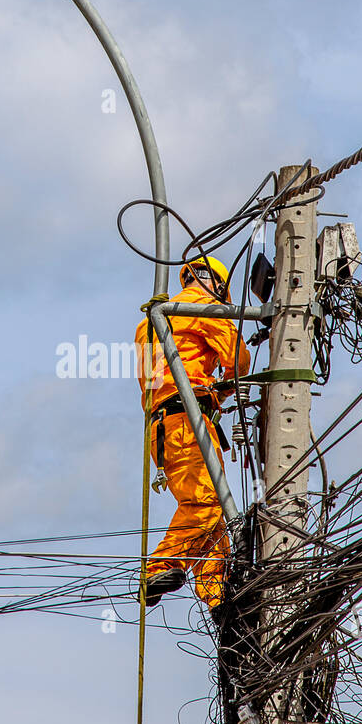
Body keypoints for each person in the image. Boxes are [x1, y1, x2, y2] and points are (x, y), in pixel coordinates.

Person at [135, 256, 251, 610]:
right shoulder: (203, 307)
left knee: (215, 519)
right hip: (188, 419)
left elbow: (156, 378)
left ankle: (218, 599)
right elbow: (238, 360)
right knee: (206, 502)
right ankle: (159, 567)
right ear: (215, 283)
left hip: (162, 428)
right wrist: (222, 387)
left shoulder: (150, 322)